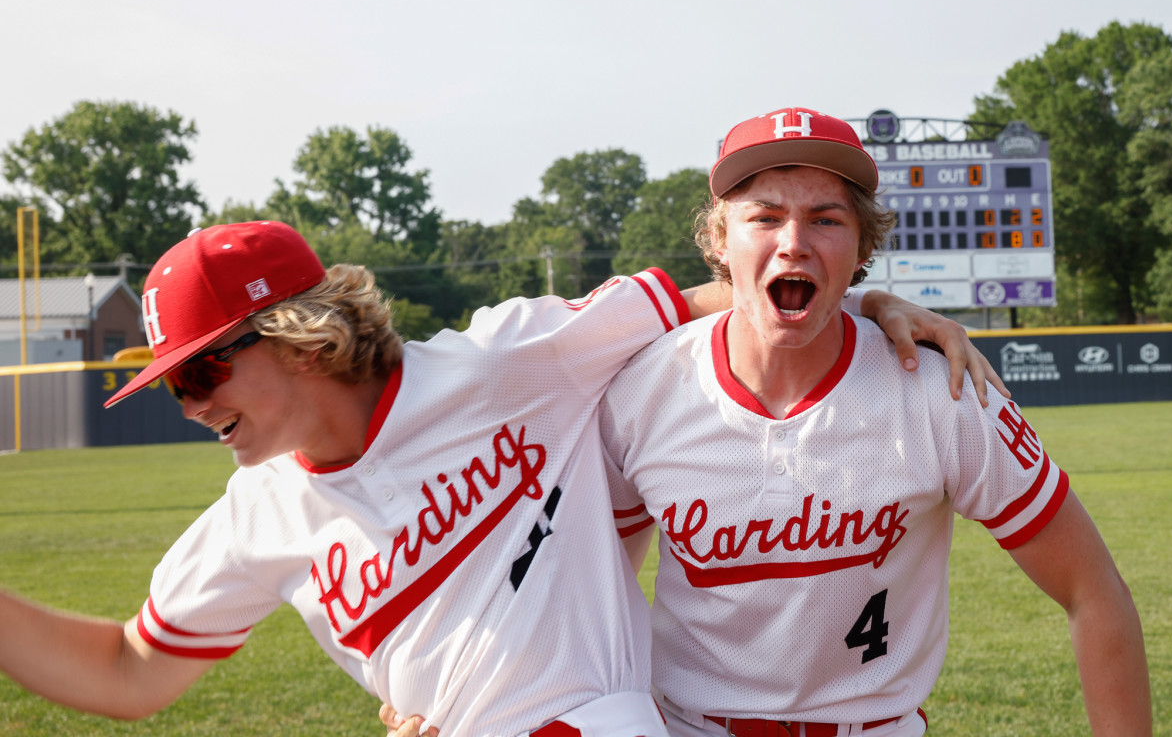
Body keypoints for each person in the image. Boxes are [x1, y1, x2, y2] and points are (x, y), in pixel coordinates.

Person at [1, 219, 997, 737]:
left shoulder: (501, 364)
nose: (189, 401)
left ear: (300, 336)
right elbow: (133, 668)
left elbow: (710, 299)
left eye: (204, 367)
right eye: (174, 381)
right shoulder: (258, 514)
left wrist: (861, 302)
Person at [593, 107, 1151, 737]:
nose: (794, 240)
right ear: (721, 239)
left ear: (863, 244)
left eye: (826, 219)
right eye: (765, 216)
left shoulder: (942, 388)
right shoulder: (644, 390)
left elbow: (1092, 591)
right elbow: (590, 601)